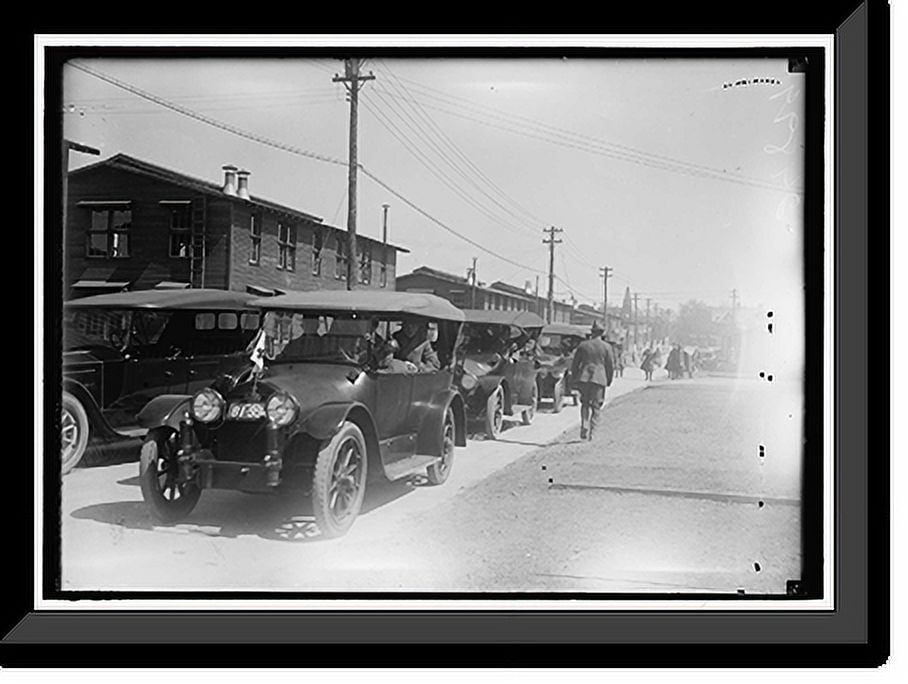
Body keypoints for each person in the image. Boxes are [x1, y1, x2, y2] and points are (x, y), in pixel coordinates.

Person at [570, 320, 615, 441]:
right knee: (596, 406)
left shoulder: (583, 345)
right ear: (602, 333)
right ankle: (592, 432)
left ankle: (584, 424)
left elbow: (575, 364)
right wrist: (609, 380)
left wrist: (575, 378)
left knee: (585, 403)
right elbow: (610, 366)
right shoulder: (607, 347)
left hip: (584, 378)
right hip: (599, 379)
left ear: (592, 332)